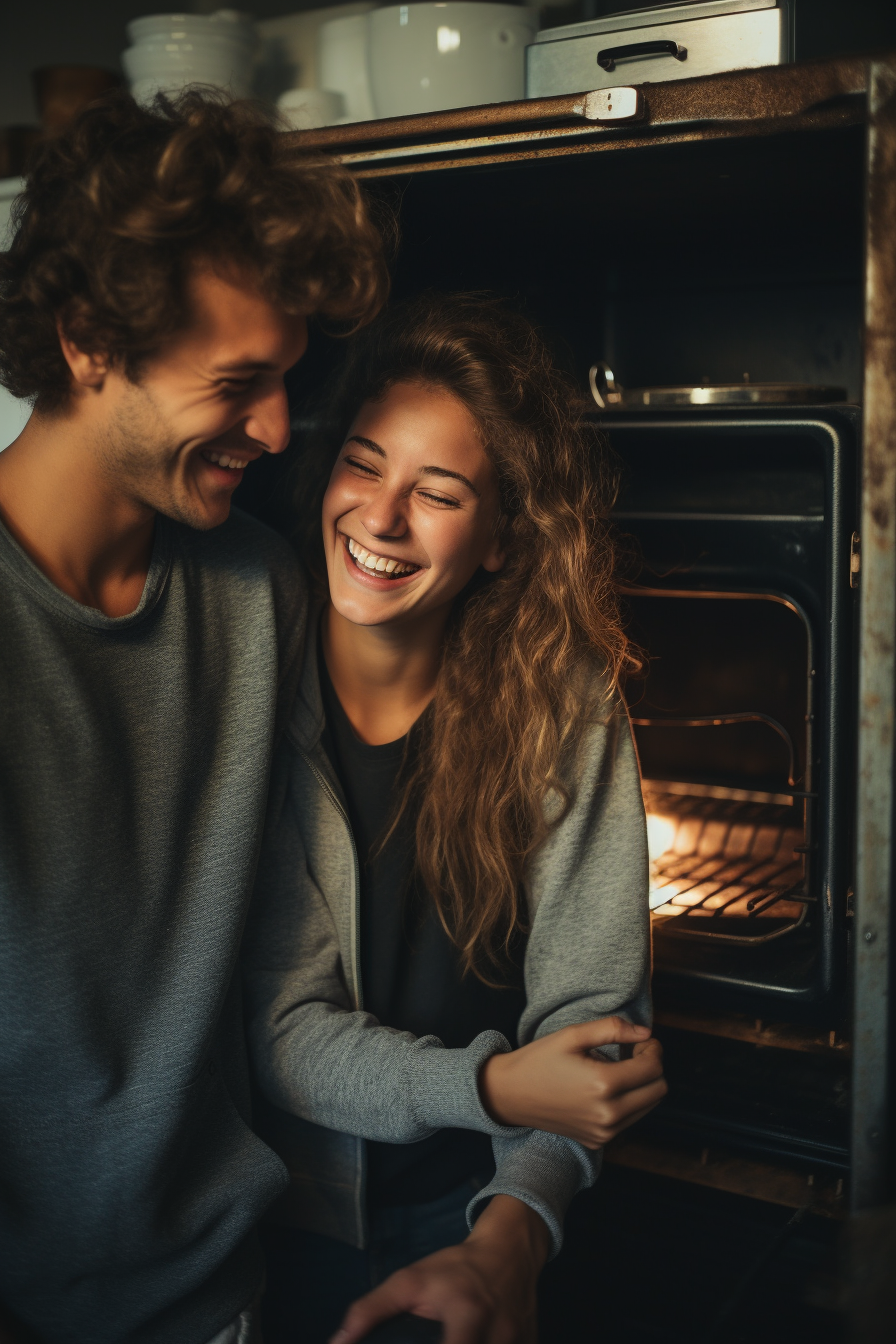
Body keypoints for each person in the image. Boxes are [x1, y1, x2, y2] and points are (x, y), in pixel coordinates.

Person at [0, 90, 386, 1344]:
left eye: (287, 381)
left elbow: (282, 961)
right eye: (238, 384)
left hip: (221, 1300)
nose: (277, 432)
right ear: (85, 341)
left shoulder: (256, 589)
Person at [245, 294, 668, 1344]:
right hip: (276, 1212)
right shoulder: (247, 677)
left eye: (436, 494)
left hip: (481, 1200)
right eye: (362, 464)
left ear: (497, 542)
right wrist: (489, 1085)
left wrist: (512, 1227)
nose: (380, 520)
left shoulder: (564, 701)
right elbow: (281, 1037)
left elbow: (593, 1028)